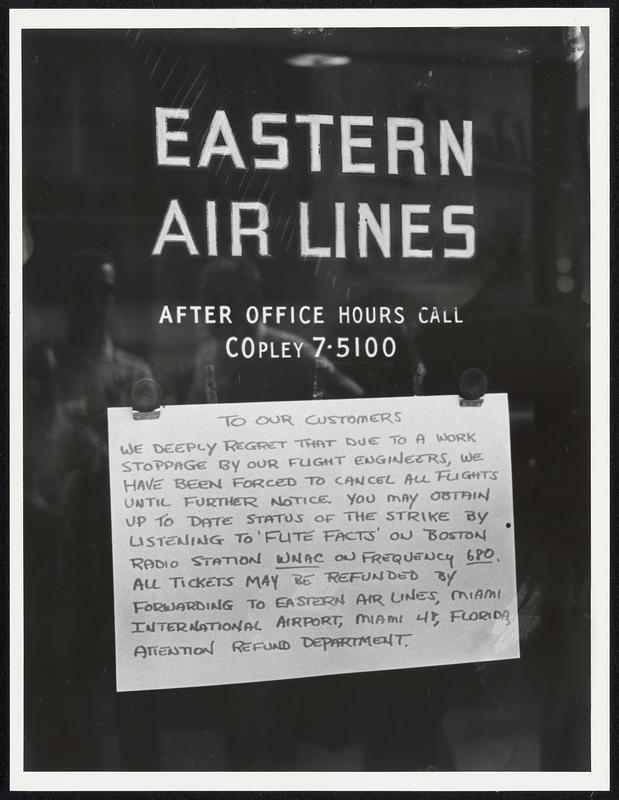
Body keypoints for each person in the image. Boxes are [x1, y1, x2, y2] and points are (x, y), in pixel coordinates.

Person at [187, 258, 363, 404]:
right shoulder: (207, 356)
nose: (213, 311)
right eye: (207, 300)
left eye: (224, 300)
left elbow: (353, 396)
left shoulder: (293, 351)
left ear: (253, 301)